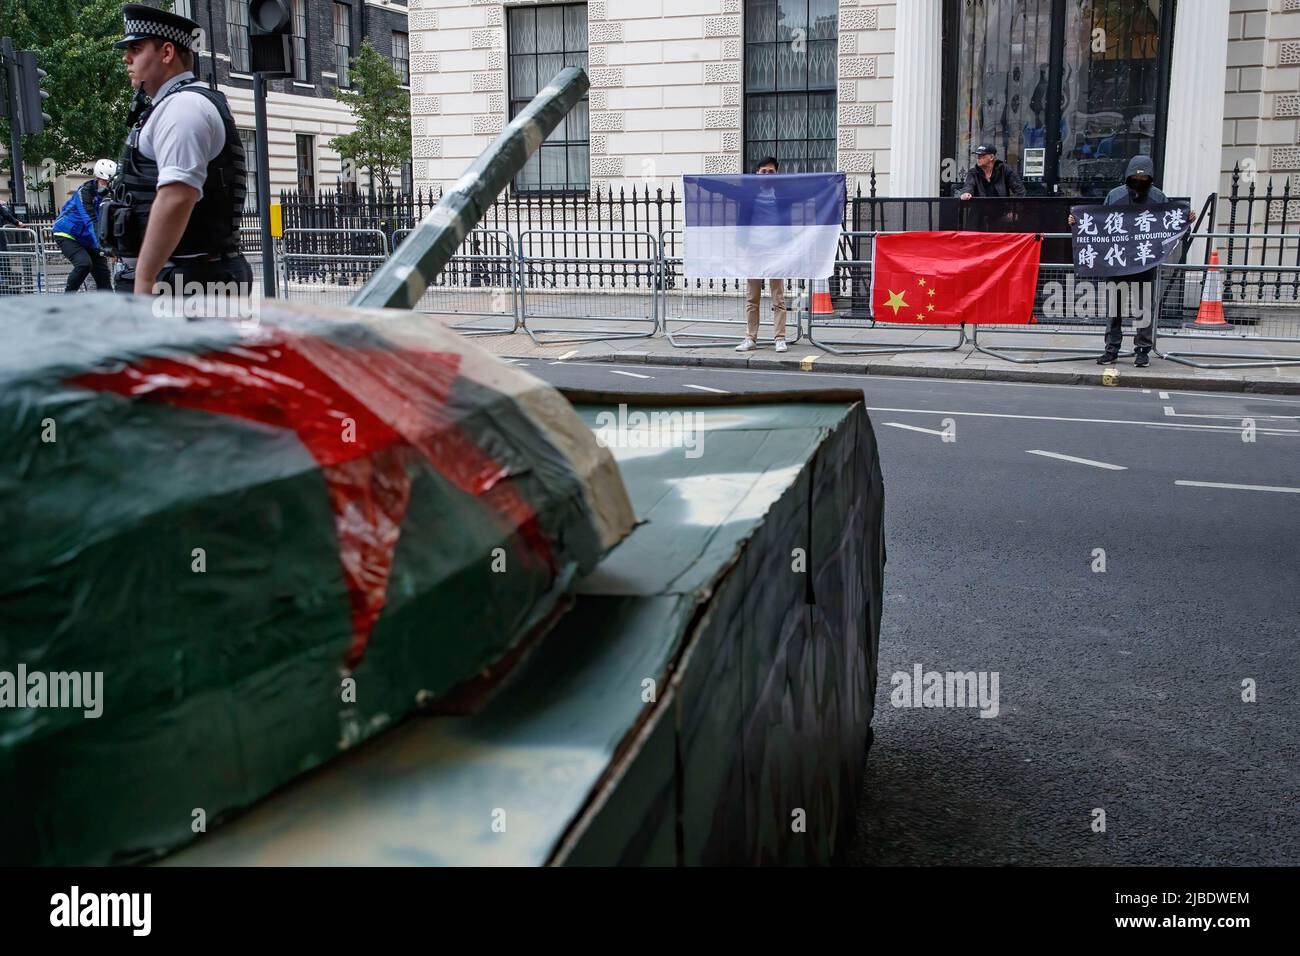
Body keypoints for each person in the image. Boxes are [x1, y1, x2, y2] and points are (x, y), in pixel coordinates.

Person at [105, 3, 250, 298]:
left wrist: (144, 280)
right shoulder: (174, 105)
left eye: (136, 48)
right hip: (187, 277)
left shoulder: (183, 108)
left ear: (167, 52)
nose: (126, 58)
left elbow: (177, 195)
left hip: (185, 281)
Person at [1068, 155, 1185, 367]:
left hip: (1144, 261)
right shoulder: (1115, 195)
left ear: (1150, 178)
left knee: (1144, 309)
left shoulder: (1158, 197)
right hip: (1118, 262)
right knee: (1115, 308)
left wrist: (1186, 218)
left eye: (1143, 178)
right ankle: (1111, 349)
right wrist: (1077, 222)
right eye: (1135, 177)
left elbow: (1169, 223)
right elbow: (1099, 222)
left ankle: (1142, 350)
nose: (1139, 181)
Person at [736, 156, 789, 353]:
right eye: (763, 171)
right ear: (757, 174)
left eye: (771, 172)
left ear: (776, 174)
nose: (767, 175)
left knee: (778, 298)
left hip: (776, 250)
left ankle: (780, 338)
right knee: (752, 298)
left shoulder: (783, 194)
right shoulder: (749, 194)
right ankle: (750, 338)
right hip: (754, 250)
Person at [52, 160, 117, 292]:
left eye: (109, 182)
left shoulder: (112, 195)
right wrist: (102, 246)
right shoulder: (84, 193)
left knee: (103, 275)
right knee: (84, 264)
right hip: (68, 234)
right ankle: (67, 299)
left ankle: (110, 309)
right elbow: (91, 220)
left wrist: (115, 247)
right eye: (104, 181)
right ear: (97, 179)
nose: (107, 185)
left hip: (89, 239)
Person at [959, 144, 1027, 200]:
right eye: (977, 155)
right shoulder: (973, 172)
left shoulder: (1004, 169)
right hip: (980, 213)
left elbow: (1020, 190)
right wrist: (966, 193)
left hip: (1001, 213)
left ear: (991, 157)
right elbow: (968, 186)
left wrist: (1013, 210)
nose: (978, 158)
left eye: (982, 155)